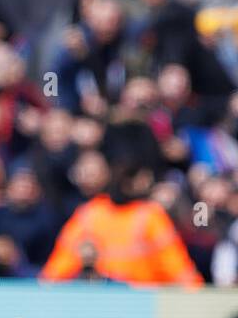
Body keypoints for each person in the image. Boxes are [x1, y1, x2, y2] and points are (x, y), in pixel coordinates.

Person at [40, 121, 203, 287]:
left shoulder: (147, 217)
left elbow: (184, 277)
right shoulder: (90, 216)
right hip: (113, 307)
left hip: (143, 307)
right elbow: (53, 278)